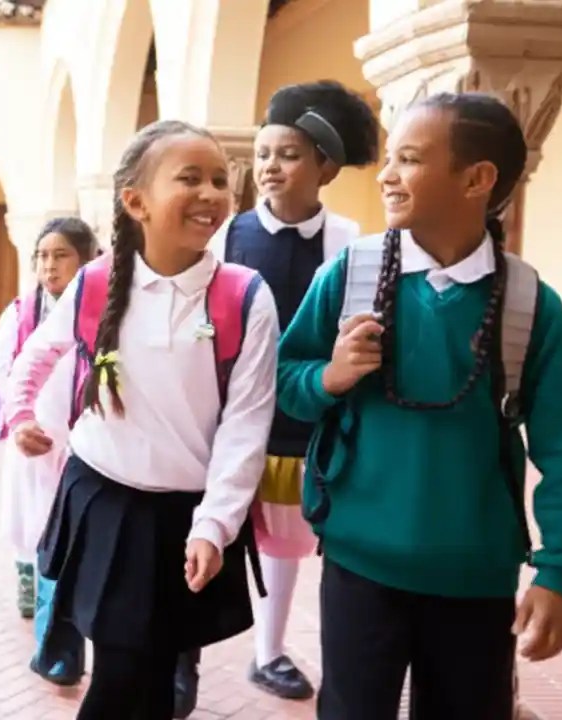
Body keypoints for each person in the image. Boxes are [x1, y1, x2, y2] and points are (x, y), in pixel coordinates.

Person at [277, 92, 562, 719]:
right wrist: (331, 378)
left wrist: (559, 572)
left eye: (409, 159)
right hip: (358, 566)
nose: (386, 174)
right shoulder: (350, 275)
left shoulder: (528, 305)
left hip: (475, 577)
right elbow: (286, 381)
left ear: (477, 179)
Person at [6, 119, 278, 717]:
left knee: (153, 677)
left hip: (186, 516)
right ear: (136, 202)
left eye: (218, 180)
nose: (211, 193)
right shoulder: (97, 283)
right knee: (127, 671)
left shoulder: (244, 295)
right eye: (189, 179)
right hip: (104, 502)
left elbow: (246, 423)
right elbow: (38, 352)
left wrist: (214, 524)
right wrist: (22, 413)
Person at [193, 80, 379, 708]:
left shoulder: (349, 241)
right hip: (224, 415)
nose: (271, 166)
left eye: (290, 154)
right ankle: (178, 654)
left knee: (286, 540)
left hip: (306, 416)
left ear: (325, 166)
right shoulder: (225, 239)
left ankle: (268, 653)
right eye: (265, 153)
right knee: (197, 530)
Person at [0, 216, 97, 686]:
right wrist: (17, 421)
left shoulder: (101, 310)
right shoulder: (22, 313)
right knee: (31, 527)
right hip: (32, 442)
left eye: (61, 255)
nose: (49, 266)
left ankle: (58, 644)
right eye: (42, 256)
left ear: (89, 259)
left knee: (69, 540)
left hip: (84, 445)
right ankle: (38, 606)